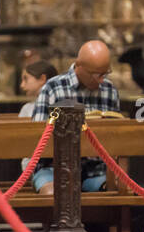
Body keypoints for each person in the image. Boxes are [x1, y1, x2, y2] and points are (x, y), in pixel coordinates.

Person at [31, 40, 118, 195]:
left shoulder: (109, 90)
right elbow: (37, 138)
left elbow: (116, 134)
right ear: (79, 66)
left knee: (116, 189)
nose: (101, 80)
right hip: (54, 168)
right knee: (53, 195)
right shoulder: (52, 88)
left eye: (105, 73)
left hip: (95, 171)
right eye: (97, 75)